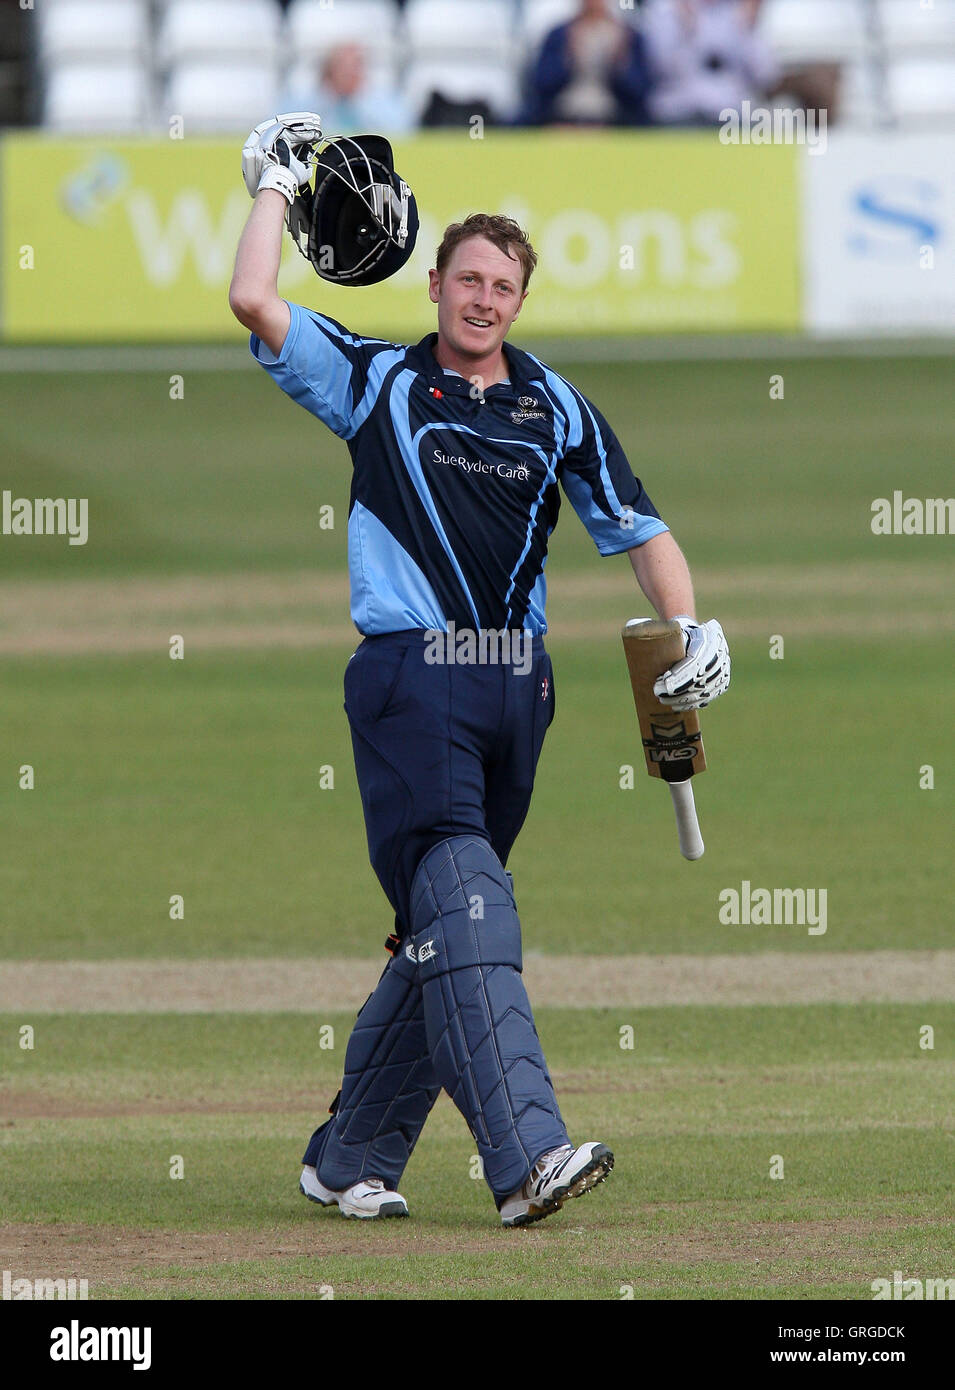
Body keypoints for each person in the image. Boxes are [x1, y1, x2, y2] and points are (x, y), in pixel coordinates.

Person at [229, 132, 731, 1226]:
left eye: (503, 286)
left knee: (449, 925)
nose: (484, 300)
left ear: (519, 299)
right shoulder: (377, 380)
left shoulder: (555, 406)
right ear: (435, 283)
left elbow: (640, 530)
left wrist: (692, 625)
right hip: (414, 677)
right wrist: (271, 184)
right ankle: (526, 1157)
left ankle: (350, 1151)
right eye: (468, 280)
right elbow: (253, 298)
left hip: (520, 690)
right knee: (468, 899)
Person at [519, 0, 652, 127]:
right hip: (563, 118)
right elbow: (542, 84)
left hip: (612, 121)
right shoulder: (559, 35)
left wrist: (620, 63)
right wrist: (568, 57)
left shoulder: (627, 36)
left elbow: (639, 90)